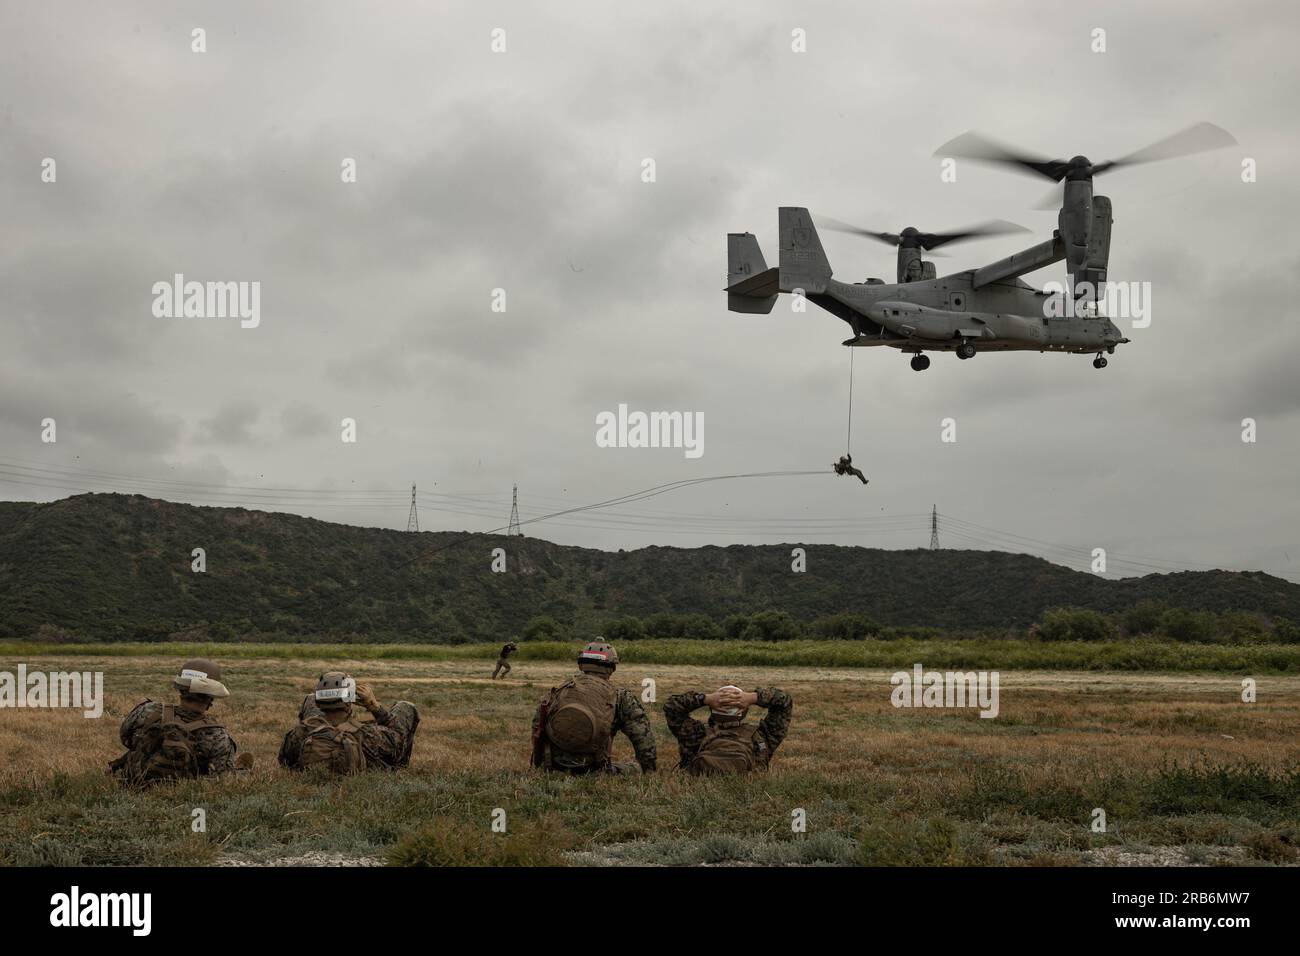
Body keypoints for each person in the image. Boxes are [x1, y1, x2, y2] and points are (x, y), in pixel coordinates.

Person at [110, 658, 249, 785]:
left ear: (181, 689)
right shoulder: (218, 735)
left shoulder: (147, 710)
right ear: (210, 698)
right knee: (238, 773)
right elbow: (221, 778)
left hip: (133, 780)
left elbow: (126, 739)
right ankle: (243, 770)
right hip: (179, 787)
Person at [530, 640, 656, 774]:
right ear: (611, 668)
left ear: (581, 665)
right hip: (594, 769)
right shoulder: (619, 697)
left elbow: (537, 726)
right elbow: (642, 735)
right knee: (635, 768)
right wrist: (648, 768)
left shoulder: (560, 690)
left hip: (553, 767)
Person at [278, 672, 420, 773]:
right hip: (366, 762)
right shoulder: (371, 736)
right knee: (405, 707)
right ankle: (400, 770)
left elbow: (285, 761)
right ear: (349, 702)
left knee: (309, 698)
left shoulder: (299, 733)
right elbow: (398, 741)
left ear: (319, 703)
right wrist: (375, 707)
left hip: (310, 753)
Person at [662, 684, 793, 774]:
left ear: (712, 709)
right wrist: (753, 697)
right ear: (744, 711)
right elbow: (784, 701)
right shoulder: (762, 736)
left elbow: (671, 706)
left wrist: (704, 699)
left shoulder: (695, 735)